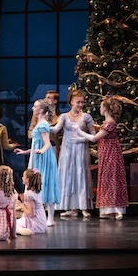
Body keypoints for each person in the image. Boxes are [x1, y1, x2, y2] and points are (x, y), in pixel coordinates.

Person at [74, 96, 128, 220]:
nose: (100, 109)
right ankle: (108, 210)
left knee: (112, 178)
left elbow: (94, 138)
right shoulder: (106, 123)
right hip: (106, 154)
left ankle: (116, 209)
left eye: (101, 106)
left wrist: (79, 131)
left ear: (105, 108)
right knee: (107, 179)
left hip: (111, 154)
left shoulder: (109, 123)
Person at [50, 89, 95, 219]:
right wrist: (44, 125)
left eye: (82, 102)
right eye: (78, 102)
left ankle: (84, 207)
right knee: (68, 175)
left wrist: (81, 139)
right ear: (71, 103)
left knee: (81, 175)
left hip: (81, 150)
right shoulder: (64, 117)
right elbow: (56, 129)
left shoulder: (86, 117)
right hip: (67, 151)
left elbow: (93, 135)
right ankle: (71, 207)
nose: (80, 104)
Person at [15, 99, 60, 227]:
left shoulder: (43, 124)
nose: (32, 108)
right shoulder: (40, 123)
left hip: (45, 158)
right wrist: (25, 152)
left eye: (35, 107)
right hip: (39, 156)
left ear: (41, 110)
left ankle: (50, 218)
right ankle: (38, 216)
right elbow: (37, 144)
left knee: (47, 183)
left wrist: (41, 151)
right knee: (38, 183)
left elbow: (47, 144)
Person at [28, 90, 62, 158]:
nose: (45, 100)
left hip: (53, 145)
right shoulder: (37, 114)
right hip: (39, 143)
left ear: (55, 101)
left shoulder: (60, 116)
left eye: (49, 98)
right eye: (45, 97)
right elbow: (32, 127)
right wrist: (32, 136)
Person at [15, 168, 47, 235]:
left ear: (27, 180)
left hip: (35, 224)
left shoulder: (29, 194)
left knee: (11, 224)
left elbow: (31, 214)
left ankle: (22, 230)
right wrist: (24, 201)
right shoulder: (35, 191)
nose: (22, 178)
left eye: (23, 176)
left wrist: (21, 204)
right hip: (40, 221)